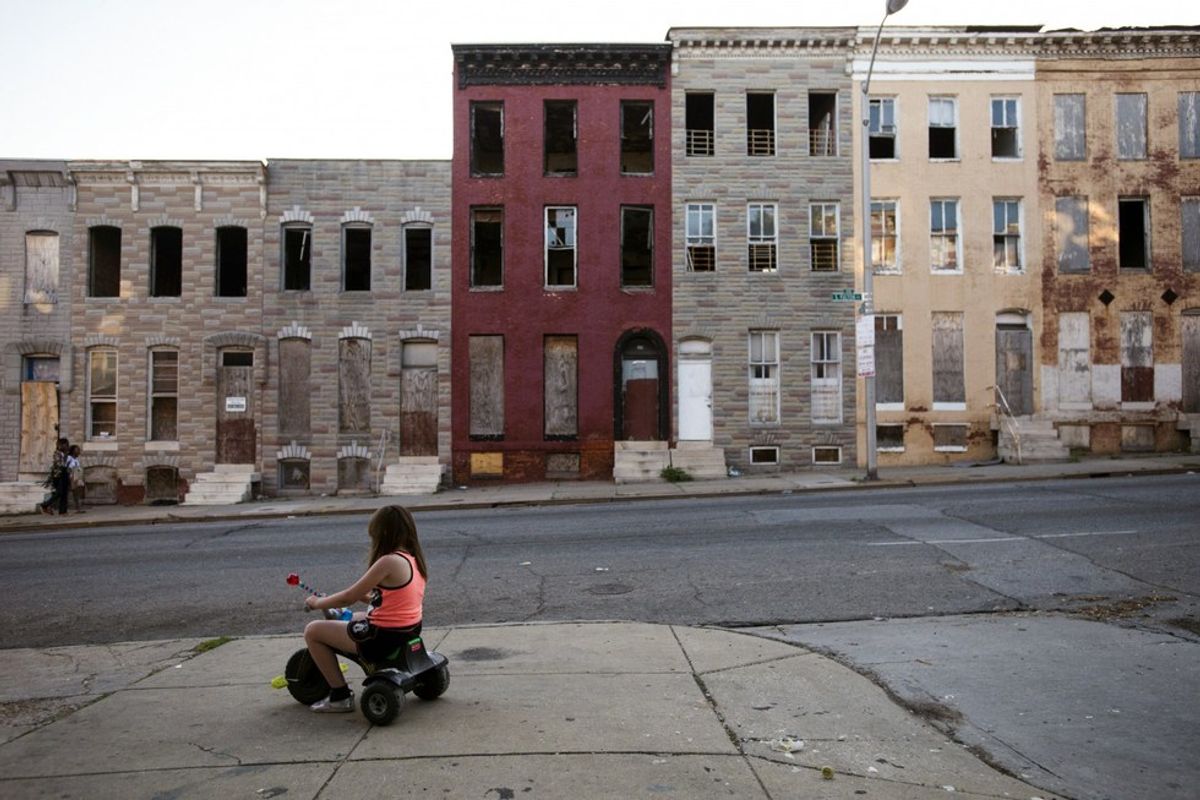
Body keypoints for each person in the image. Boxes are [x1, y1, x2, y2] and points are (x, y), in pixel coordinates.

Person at [302, 505, 428, 712]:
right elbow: (392, 601)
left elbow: (347, 597)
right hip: (408, 630)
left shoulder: (388, 561)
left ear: (383, 534)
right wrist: (366, 597)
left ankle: (339, 696)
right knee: (355, 617)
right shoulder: (414, 560)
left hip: (382, 638)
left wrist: (317, 603)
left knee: (313, 631)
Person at [39, 438, 70, 516]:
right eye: (65, 445)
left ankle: (63, 511)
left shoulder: (65, 454)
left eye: (67, 445)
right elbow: (60, 465)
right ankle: (45, 505)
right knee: (59, 492)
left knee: (64, 493)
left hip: (65, 474)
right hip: (58, 475)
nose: (66, 446)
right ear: (60, 445)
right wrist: (66, 458)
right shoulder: (57, 453)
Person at [67, 445, 86, 513]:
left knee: (77, 493)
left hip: (76, 477)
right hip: (71, 477)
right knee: (74, 493)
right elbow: (67, 468)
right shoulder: (69, 458)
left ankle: (78, 508)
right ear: (73, 451)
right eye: (77, 450)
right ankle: (76, 508)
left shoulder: (76, 459)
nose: (79, 452)